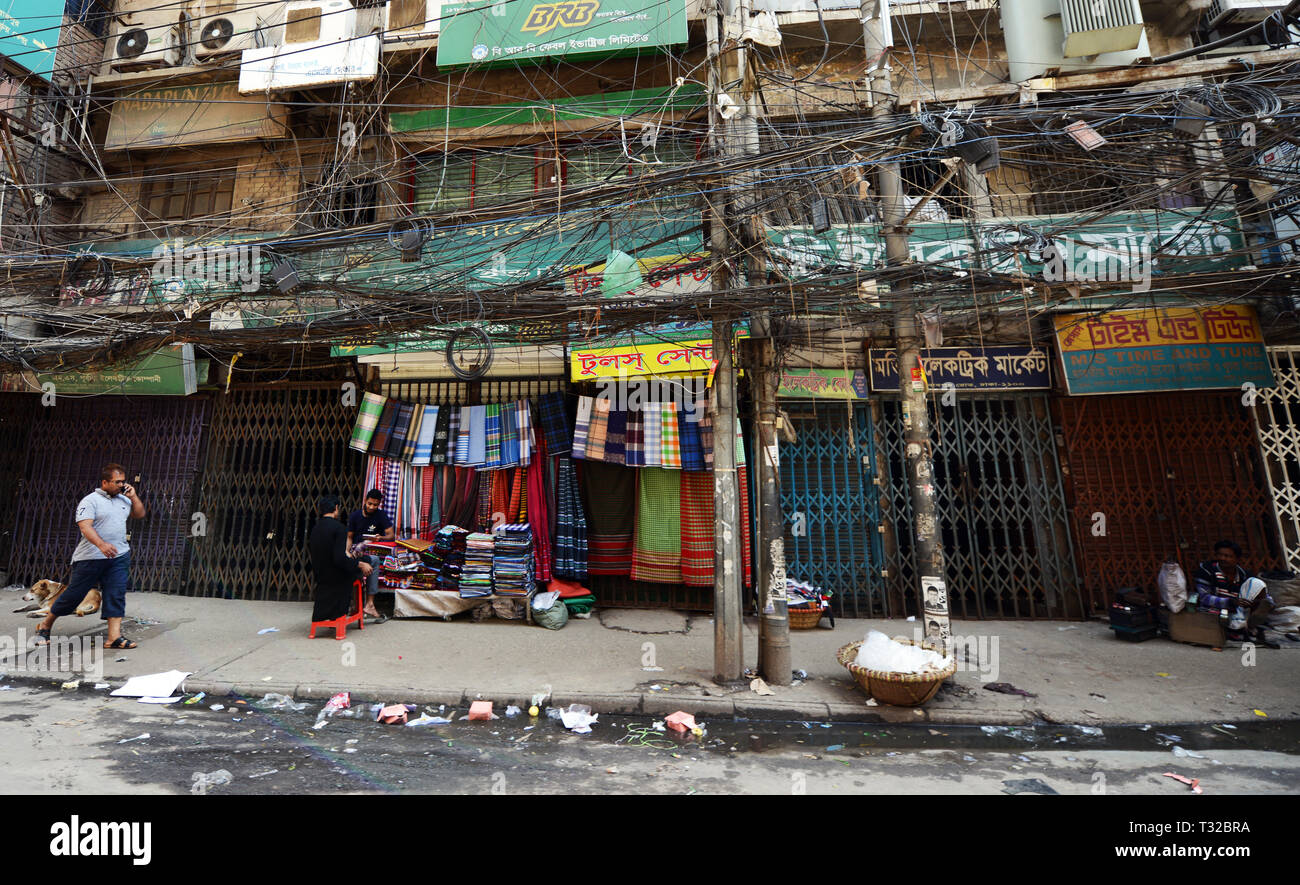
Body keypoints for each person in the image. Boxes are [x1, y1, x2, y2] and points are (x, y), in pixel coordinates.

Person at [35, 463, 146, 650]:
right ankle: (45, 626)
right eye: (116, 482)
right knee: (73, 596)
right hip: (90, 557)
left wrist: (134, 497)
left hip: (118, 556)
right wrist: (101, 545)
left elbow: (140, 514)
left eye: (123, 481)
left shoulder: (124, 499)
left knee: (116, 594)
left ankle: (114, 638)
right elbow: (85, 527)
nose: (121, 485)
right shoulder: (90, 501)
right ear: (105, 482)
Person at [1193, 540, 1274, 641]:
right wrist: (1230, 602)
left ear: (1237, 559)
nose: (1223, 558)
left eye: (1228, 556)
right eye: (1220, 555)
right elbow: (1203, 598)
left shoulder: (1243, 575)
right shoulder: (1207, 570)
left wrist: (1261, 602)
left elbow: (1257, 591)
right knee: (1224, 615)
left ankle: (1245, 622)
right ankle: (1243, 626)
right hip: (1213, 610)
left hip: (1238, 609)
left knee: (1256, 583)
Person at [310, 495, 372, 624]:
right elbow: (339, 560)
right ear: (336, 508)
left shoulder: (315, 528)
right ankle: (361, 607)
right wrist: (360, 564)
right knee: (367, 562)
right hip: (336, 577)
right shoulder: (339, 528)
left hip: (321, 575)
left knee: (359, 562)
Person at [346, 489, 394, 623]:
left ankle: (369, 604)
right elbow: (349, 537)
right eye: (370, 504)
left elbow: (391, 535)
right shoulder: (355, 516)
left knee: (374, 560)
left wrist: (381, 538)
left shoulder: (381, 515)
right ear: (365, 501)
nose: (372, 507)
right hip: (357, 551)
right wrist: (347, 552)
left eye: (375, 505)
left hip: (373, 549)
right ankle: (359, 605)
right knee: (363, 565)